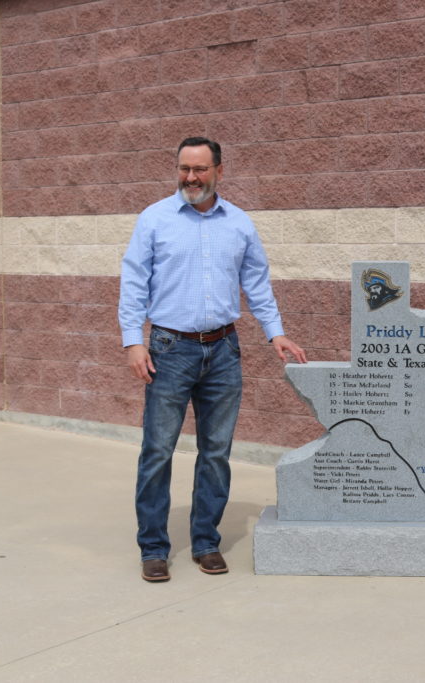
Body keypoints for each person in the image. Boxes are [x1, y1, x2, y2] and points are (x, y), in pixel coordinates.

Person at [119, 137, 306, 583]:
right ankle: (153, 548)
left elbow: (256, 282)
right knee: (158, 451)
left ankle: (206, 542)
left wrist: (275, 331)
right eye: (184, 168)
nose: (191, 177)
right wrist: (133, 341)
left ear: (219, 171)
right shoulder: (154, 219)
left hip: (223, 351)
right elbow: (134, 281)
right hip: (168, 350)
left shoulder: (239, 223)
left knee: (216, 452)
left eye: (200, 169)